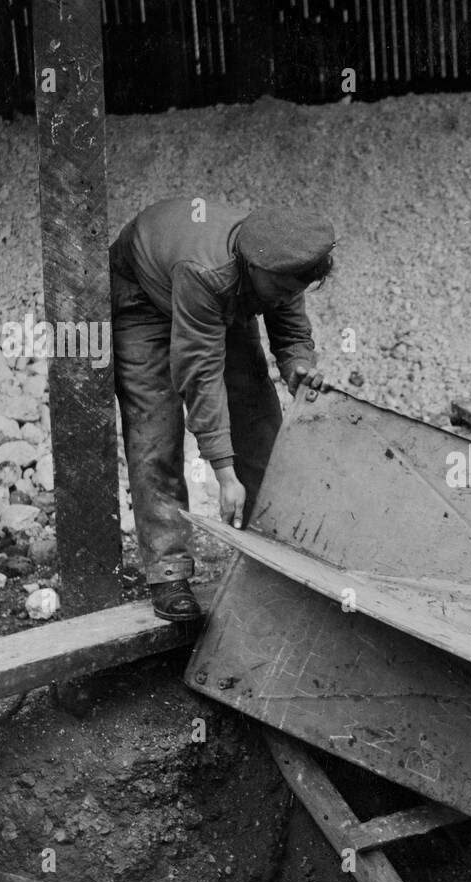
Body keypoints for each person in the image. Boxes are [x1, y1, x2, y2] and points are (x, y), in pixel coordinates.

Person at [108, 198, 334, 621]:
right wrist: (224, 474)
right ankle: (168, 571)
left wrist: (297, 365)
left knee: (260, 417)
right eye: (283, 290)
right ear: (254, 267)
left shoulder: (281, 262)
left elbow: (288, 326)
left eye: (295, 292)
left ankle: (270, 555)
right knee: (155, 430)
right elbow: (201, 375)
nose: (288, 299)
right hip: (143, 298)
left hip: (218, 297)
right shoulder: (209, 273)